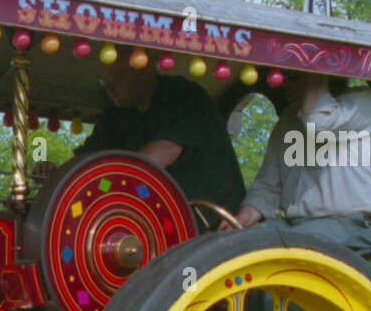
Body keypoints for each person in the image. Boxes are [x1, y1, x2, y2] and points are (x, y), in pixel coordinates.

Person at [222, 72, 371, 311]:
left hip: (359, 224)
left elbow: (319, 124)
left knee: (289, 253)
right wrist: (238, 223)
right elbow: (267, 188)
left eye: (295, 77)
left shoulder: (362, 102)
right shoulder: (288, 123)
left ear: (322, 79)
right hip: (303, 227)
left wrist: (315, 75)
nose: (284, 85)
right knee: (244, 250)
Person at [79, 54, 247, 215]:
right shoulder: (117, 113)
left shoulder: (182, 95)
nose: (108, 87)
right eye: (104, 80)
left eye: (114, 78)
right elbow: (86, 158)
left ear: (143, 71)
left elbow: (156, 158)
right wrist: (60, 173)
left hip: (214, 223)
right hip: (167, 218)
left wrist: (102, 185)